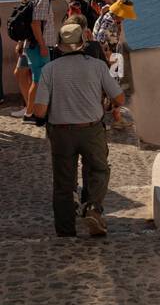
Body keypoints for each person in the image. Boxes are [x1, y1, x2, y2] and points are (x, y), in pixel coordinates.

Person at [32, 21, 125, 238]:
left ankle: (65, 232)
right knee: (99, 170)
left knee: (63, 182)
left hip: (61, 132)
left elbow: (39, 111)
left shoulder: (49, 70)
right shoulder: (97, 66)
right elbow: (119, 97)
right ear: (83, 43)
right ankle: (92, 208)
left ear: (59, 46)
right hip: (91, 130)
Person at [24, 0, 60, 119]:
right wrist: (43, 46)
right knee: (38, 81)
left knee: (39, 81)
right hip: (40, 47)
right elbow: (35, 24)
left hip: (36, 46)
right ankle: (30, 113)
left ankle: (36, 111)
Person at [91, 0, 122, 65]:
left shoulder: (107, 9)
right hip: (106, 58)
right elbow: (100, 39)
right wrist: (109, 57)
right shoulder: (109, 17)